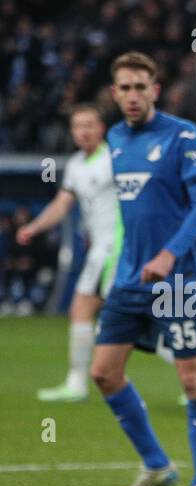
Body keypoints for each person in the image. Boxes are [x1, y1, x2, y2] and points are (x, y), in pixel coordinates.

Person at [90, 52, 196, 486]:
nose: (131, 95)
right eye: (123, 87)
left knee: (191, 377)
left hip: (178, 281)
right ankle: (156, 465)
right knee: (103, 373)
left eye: (140, 87)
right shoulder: (115, 139)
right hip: (130, 280)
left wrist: (168, 254)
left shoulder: (183, 135)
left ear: (155, 90)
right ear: (114, 92)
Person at [16, 105, 117, 401]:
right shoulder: (75, 165)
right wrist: (34, 227)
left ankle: (77, 383)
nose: (83, 131)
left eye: (89, 124)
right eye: (77, 126)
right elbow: (62, 205)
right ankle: (191, 367)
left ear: (101, 128)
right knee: (131, 316)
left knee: (84, 309)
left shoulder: (114, 160)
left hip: (114, 248)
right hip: (100, 248)